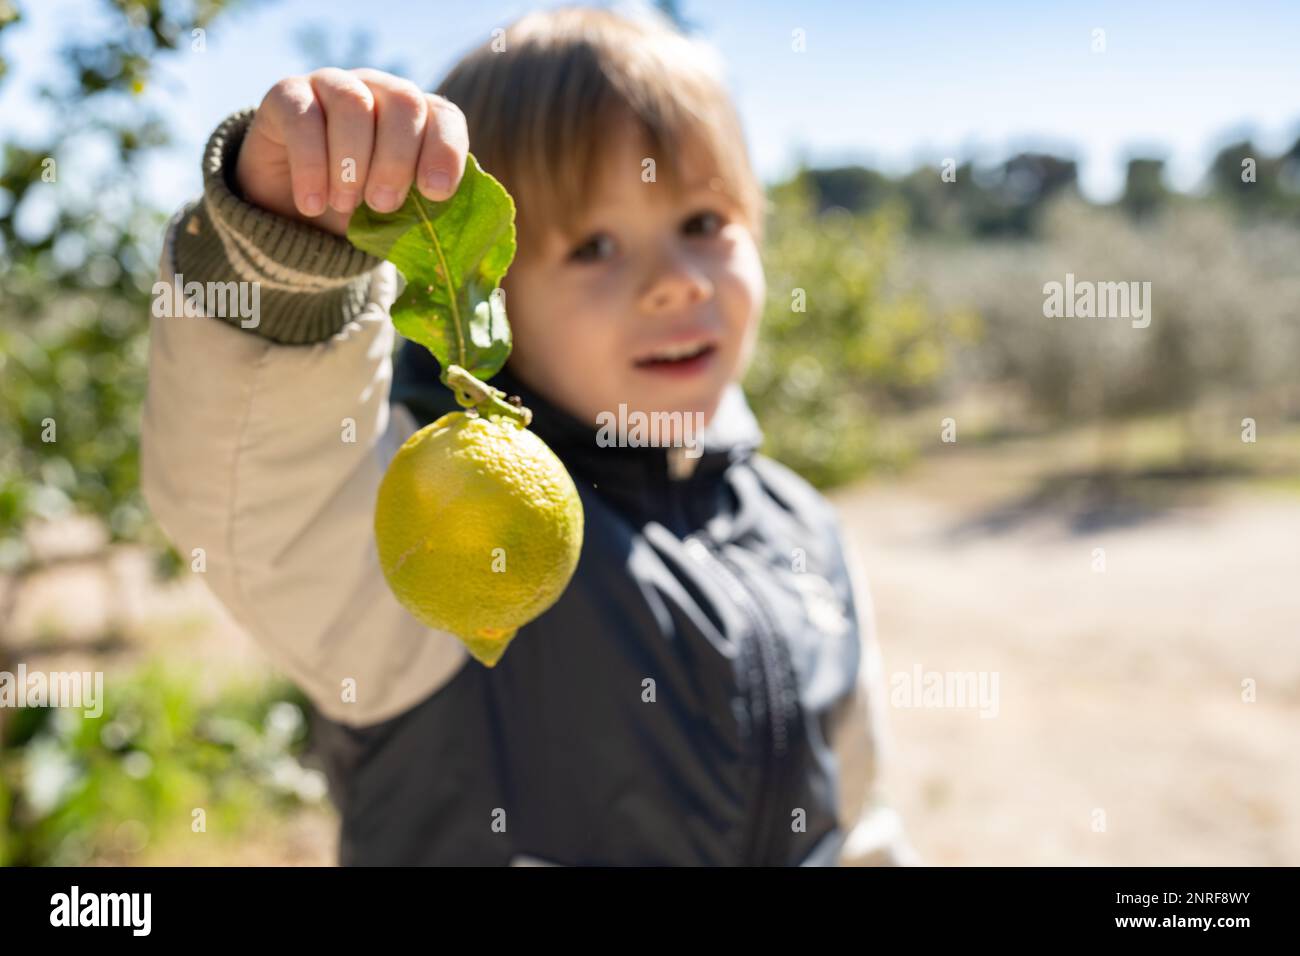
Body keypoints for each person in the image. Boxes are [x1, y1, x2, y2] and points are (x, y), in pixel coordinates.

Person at [141, 5, 916, 866]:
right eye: (594, 245)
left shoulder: (801, 529)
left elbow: (856, 813)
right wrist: (284, 263)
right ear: (485, 290)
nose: (673, 283)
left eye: (702, 223)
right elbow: (257, 496)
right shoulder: (432, 530)